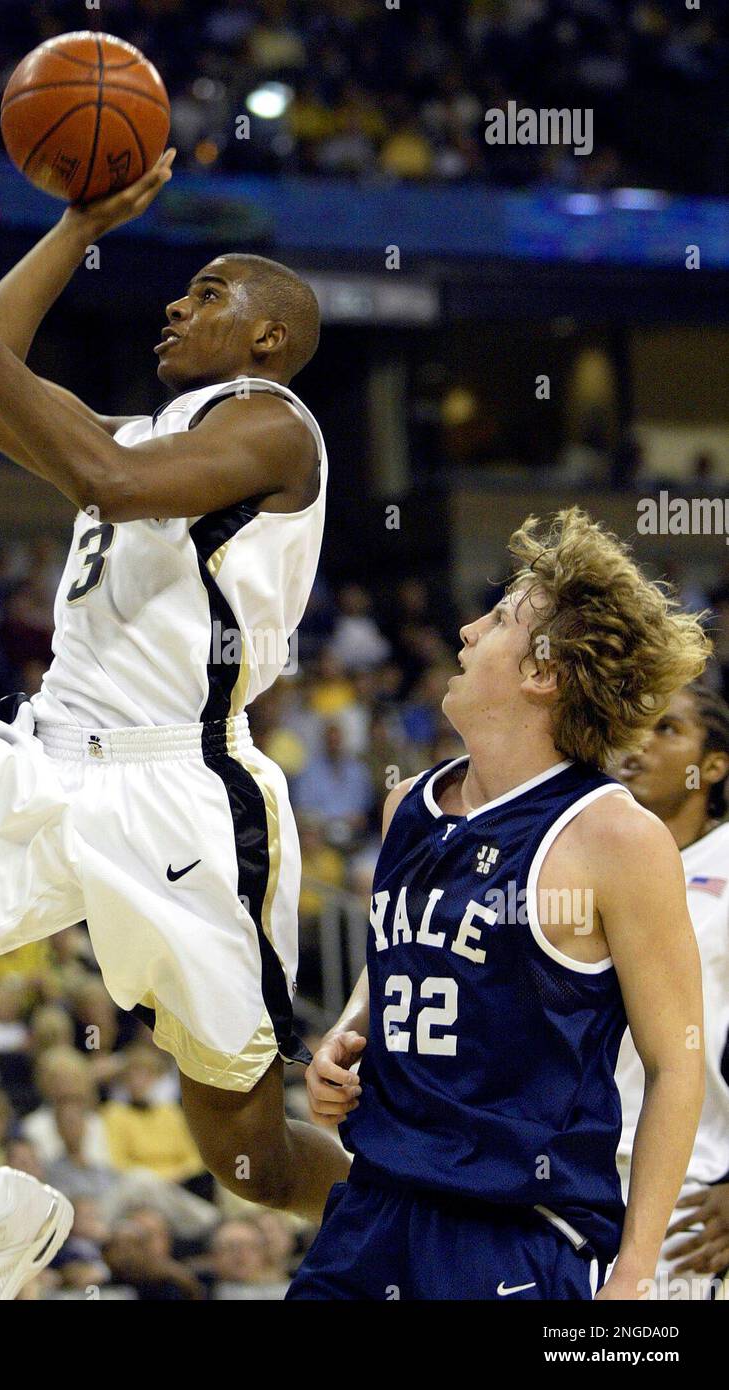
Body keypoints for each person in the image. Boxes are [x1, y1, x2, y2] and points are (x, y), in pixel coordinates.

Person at [0, 151, 349, 1301]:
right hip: (50, 763)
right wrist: (77, 221)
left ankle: (441, 1233)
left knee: (247, 1159)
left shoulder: (277, 432)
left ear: (269, 338)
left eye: (208, 293)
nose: (175, 307)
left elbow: (107, 483)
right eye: (178, 291)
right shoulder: (147, 431)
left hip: (180, 799)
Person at [291, 508, 709, 1300]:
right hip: (373, 1206)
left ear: (542, 673)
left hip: (516, 1232)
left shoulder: (613, 837)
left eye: (499, 618)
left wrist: (635, 1270)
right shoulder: (407, 804)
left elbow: (674, 1061)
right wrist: (347, 1032)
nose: (466, 630)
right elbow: (395, 958)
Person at [614, 681, 729, 1298]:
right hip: (567, 1167)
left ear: (713, 767)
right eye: (635, 724)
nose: (639, 742)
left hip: (688, 1183)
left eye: (667, 729)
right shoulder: (586, 851)